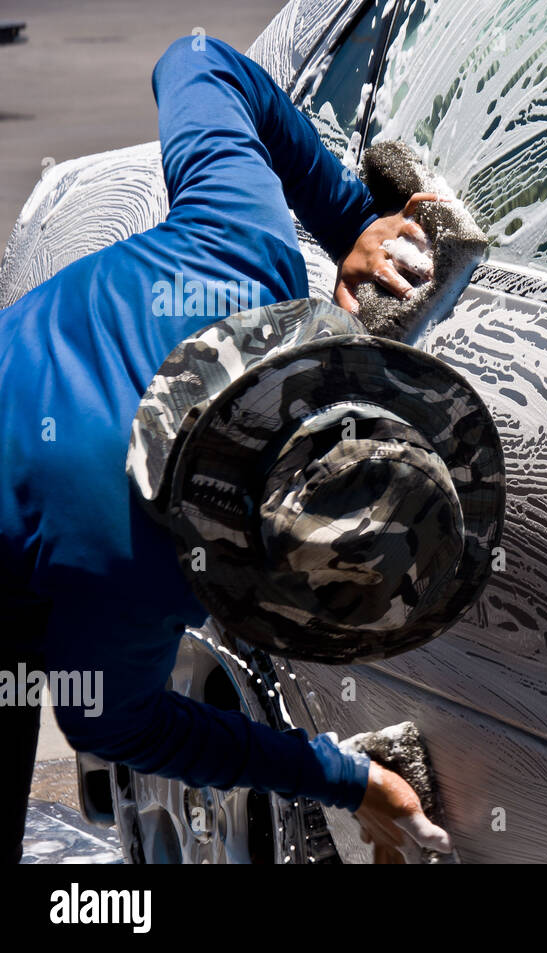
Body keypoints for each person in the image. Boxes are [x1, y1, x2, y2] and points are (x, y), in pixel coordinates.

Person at [0, 34, 459, 864]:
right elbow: (115, 721)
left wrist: (349, 216)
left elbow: (194, 58)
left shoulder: (241, 249)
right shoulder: (137, 562)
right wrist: (342, 779)